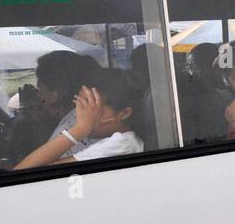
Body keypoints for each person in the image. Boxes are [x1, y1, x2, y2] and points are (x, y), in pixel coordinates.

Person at [14, 67, 144, 168]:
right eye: (79, 105)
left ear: (124, 113)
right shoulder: (106, 136)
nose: (80, 115)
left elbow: (24, 172)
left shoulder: (122, 145)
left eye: (91, 107)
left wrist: (80, 129)